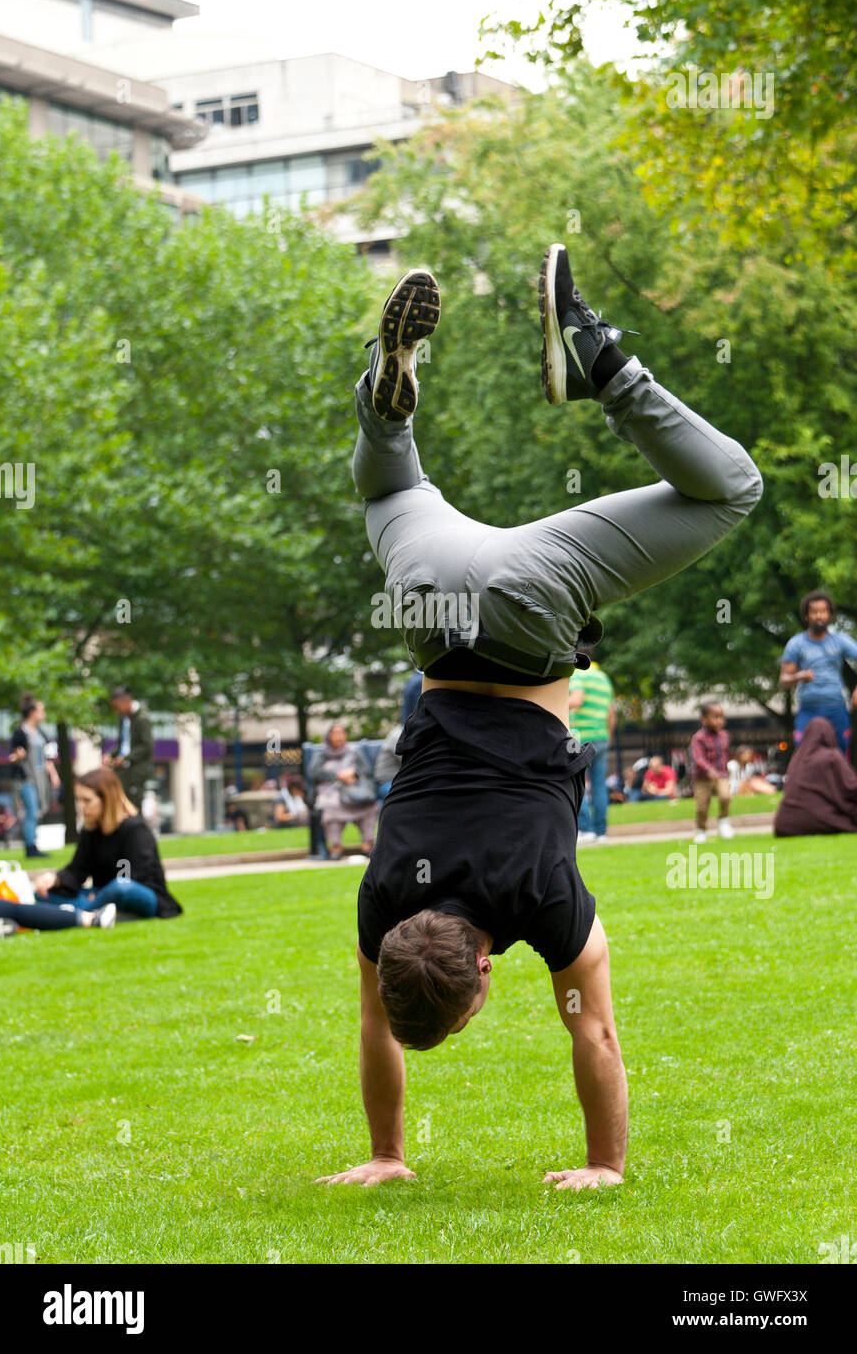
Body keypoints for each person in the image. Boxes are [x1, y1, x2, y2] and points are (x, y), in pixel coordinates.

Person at [315, 247, 762, 1190]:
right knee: (389, 490)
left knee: (733, 491)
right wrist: (382, 1154)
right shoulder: (384, 895)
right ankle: (383, 396)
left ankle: (598, 355)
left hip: (530, 608)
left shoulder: (540, 901)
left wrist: (605, 1167)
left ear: (481, 984)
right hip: (429, 603)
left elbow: (593, 1027)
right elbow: (371, 1022)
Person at [31, 767, 182, 920]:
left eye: (87, 801)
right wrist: (54, 880)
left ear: (107, 799)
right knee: (43, 893)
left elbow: (133, 878)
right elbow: (77, 871)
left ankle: (81, 915)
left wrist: (99, 894)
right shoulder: (90, 830)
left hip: (139, 894)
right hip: (101, 894)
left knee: (120, 886)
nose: (81, 807)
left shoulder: (134, 829)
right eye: (79, 800)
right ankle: (97, 914)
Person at [779, 592, 857, 756]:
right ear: (806, 616)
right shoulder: (796, 644)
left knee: (841, 753)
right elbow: (784, 680)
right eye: (814, 612)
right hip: (808, 709)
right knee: (802, 752)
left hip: (837, 708)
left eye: (823, 611)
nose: (819, 615)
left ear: (829, 615)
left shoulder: (840, 640)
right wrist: (798, 676)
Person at [774, 717, 857, 836]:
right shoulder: (831, 756)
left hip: (785, 824)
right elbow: (851, 787)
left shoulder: (796, 759)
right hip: (816, 819)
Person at [309, 723, 379, 859]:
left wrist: (354, 773)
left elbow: (367, 771)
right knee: (331, 805)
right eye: (335, 733)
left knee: (370, 806)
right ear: (328, 737)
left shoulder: (354, 751)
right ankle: (336, 846)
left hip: (353, 791)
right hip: (330, 792)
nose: (339, 736)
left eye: (342, 733)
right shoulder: (321, 754)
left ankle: (367, 844)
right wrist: (338, 776)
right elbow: (314, 773)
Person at [568, 649, 615, 845]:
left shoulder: (577, 674)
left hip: (581, 737)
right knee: (599, 784)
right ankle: (601, 831)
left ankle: (586, 829)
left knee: (578, 783)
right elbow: (611, 712)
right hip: (601, 736)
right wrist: (608, 735)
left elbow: (577, 699)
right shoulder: (604, 678)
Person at [9, 693, 61, 857]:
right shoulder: (20, 732)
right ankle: (31, 848)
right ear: (32, 712)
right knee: (31, 811)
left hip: (40, 779)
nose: (43, 714)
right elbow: (14, 756)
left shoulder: (40, 734)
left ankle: (33, 845)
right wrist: (17, 756)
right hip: (26, 778)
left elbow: (47, 757)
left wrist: (53, 775)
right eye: (41, 711)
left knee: (37, 810)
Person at [690, 702, 734, 843]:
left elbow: (726, 754)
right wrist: (708, 769)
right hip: (703, 778)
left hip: (721, 775)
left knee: (725, 797)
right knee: (702, 806)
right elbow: (698, 757)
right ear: (704, 719)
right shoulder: (698, 738)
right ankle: (701, 830)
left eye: (721, 717)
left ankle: (723, 821)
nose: (720, 720)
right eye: (715, 717)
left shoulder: (724, 735)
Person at [105, 686, 153, 809]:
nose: (116, 711)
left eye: (116, 707)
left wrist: (126, 758)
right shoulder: (123, 718)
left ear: (125, 701)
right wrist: (110, 754)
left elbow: (147, 745)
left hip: (135, 772)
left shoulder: (142, 718)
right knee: (119, 803)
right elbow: (123, 744)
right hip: (122, 770)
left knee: (133, 807)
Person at [374, 723, 404, 800]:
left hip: (395, 781)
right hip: (387, 782)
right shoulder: (398, 735)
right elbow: (409, 761)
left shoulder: (403, 731)